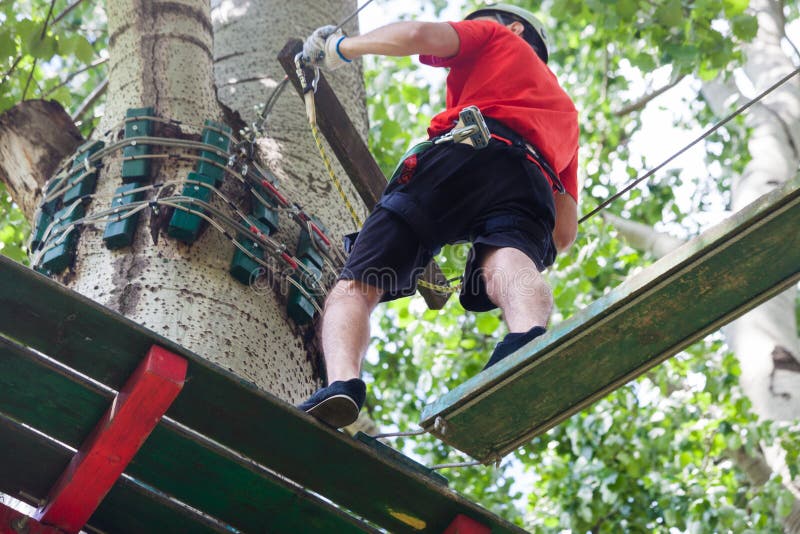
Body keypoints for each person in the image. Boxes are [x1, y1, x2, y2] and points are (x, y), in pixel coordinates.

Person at [298, 4, 579, 428]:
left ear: (515, 27)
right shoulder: (566, 115)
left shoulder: (497, 36)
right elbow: (564, 232)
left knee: (356, 285)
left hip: (460, 153)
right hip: (530, 175)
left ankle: (343, 385)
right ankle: (526, 339)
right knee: (507, 255)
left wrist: (340, 47)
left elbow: (417, 35)